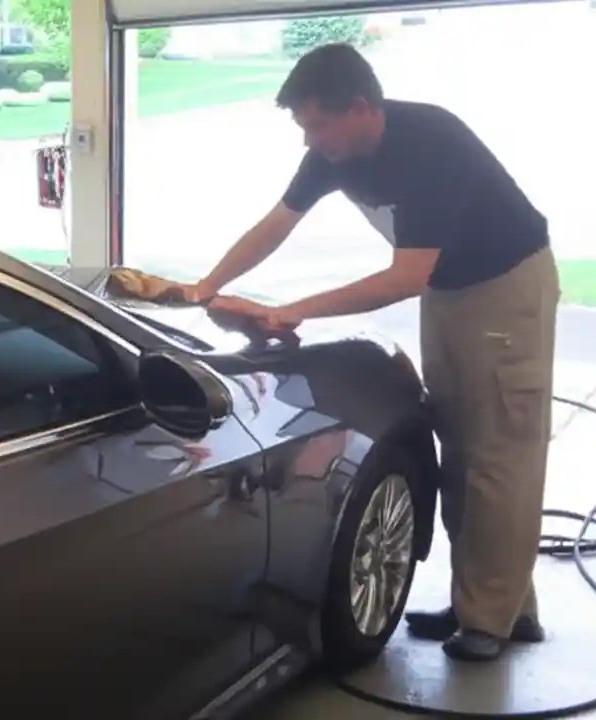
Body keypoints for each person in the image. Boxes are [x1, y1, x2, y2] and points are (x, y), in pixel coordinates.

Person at [178, 43, 559, 662]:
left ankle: (490, 617)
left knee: (498, 455)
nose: (311, 140)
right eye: (303, 126)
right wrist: (204, 288)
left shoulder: (430, 144)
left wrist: (296, 309)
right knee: (459, 444)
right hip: (450, 290)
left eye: (318, 124)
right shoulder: (334, 151)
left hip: (505, 289)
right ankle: (493, 604)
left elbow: (404, 276)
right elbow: (276, 224)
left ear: (360, 108)